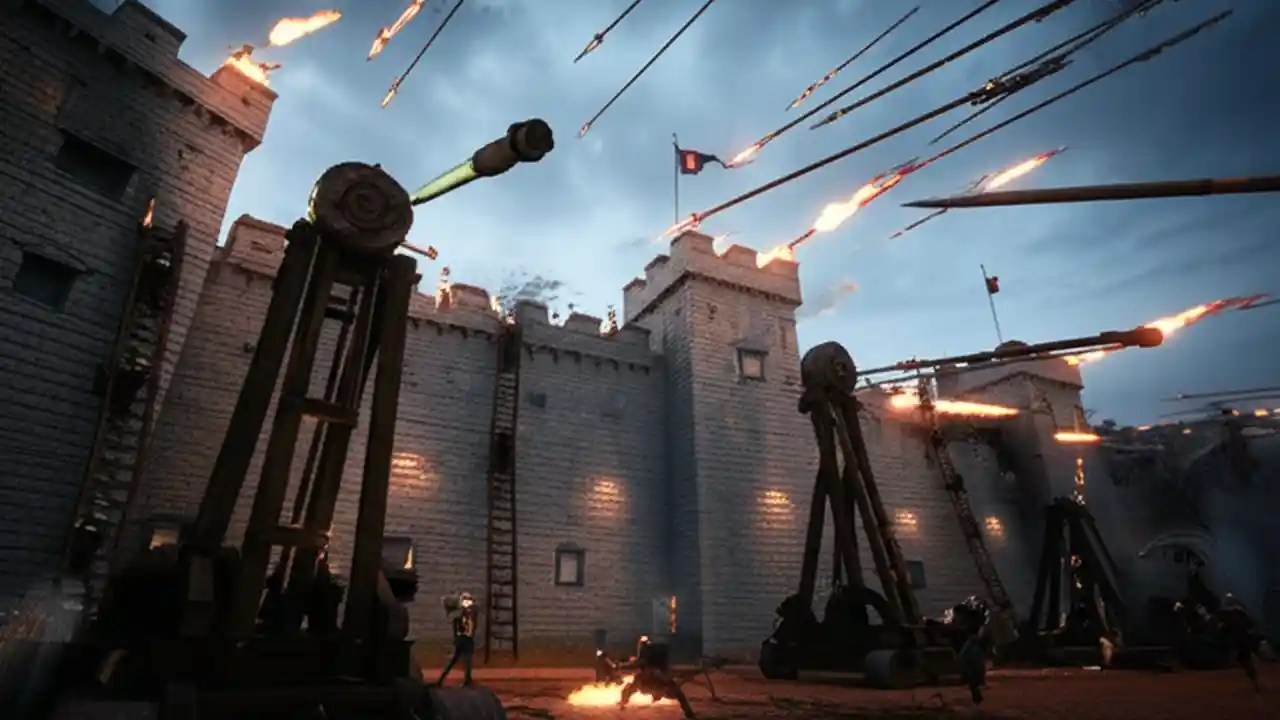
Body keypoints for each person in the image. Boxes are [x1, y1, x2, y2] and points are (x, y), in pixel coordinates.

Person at [438, 591, 476, 686]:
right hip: (463, 638)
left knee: (463, 661)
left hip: (464, 638)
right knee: (463, 660)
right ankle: (442, 679)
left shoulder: (467, 613)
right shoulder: (463, 614)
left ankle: (443, 679)